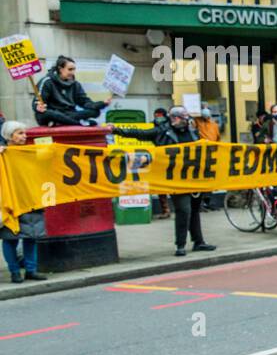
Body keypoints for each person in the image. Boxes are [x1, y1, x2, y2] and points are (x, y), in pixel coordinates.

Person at [112, 107, 216, 257]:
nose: (178, 121)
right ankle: (180, 244)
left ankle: (198, 242)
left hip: (193, 178)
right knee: (183, 210)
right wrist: (117, 130)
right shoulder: (162, 131)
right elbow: (140, 134)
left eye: (181, 118)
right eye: (176, 118)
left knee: (194, 209)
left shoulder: (193, 131)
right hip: (174, 179)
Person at [0, 121, 47, 282]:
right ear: (9, 136)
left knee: (31, 237)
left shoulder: (29, 152)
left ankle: (30, 270)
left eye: (24, 133)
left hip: (29, 199)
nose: (24, 136)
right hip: (10, 201)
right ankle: (14, 272)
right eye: (19, 133)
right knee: (10, 238)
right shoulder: (2, 153)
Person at [34, 56, 112, 126]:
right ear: (60, 69)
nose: (72, 72)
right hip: (53, 113)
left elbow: (84, 102)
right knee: (47, 114)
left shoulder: (75, 84)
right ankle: (80, 123)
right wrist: (38, 106)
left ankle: (63, 122)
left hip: (70, 114)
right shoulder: (47, 81)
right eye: (70, 69)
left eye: (74, 69)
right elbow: (37, 101)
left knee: (95, 112)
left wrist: (102, 103)